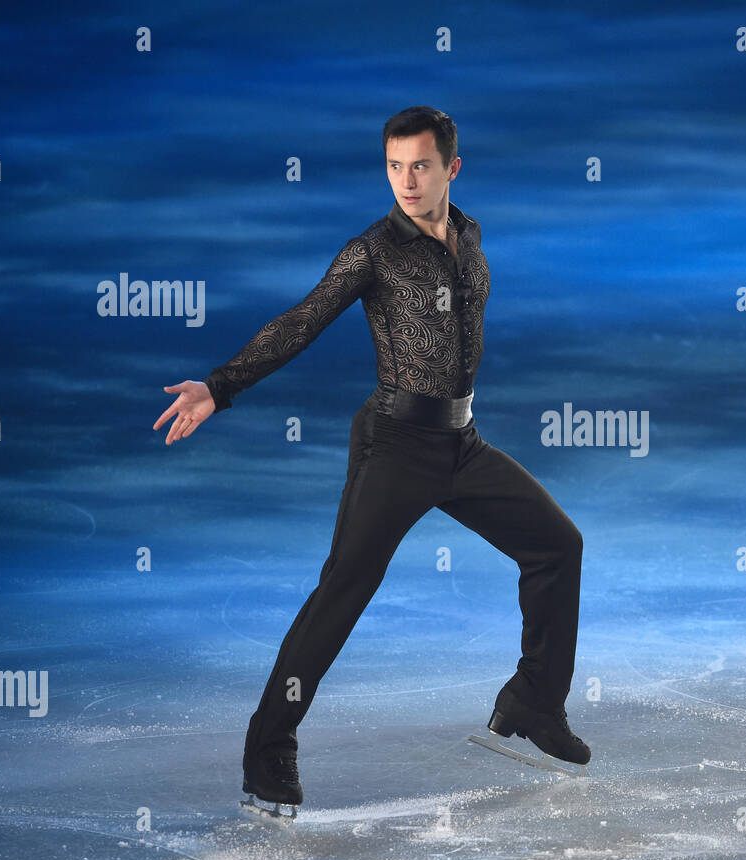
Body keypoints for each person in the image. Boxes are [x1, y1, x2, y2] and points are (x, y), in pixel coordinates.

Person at [152, 106, 589, 812]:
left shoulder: (469, 236)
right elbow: (302, 318)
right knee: (343, 590)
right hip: (395, 445)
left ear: (452, 167)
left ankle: (535, 700)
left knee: (557, 546)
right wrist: (220, 387)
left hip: (462, 442)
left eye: (420, 165)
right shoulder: (374, 250)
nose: (406, 181)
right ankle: (267, 750)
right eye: (393, 166)